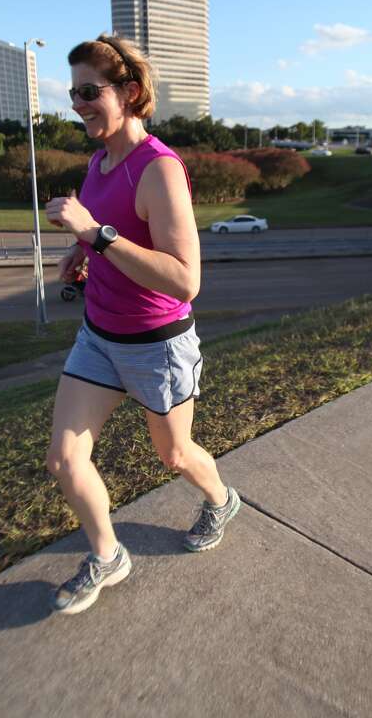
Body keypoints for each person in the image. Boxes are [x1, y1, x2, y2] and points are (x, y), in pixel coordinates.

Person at [42, 34, 240, 615]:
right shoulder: (99, 160)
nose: (77, 103)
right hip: (98, 337)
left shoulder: (159, 169)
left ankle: (222, 499)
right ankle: (108, 556)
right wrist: (84, 252)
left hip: (158, 346)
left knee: (173, 457)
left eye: (88, 92)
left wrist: (97, 235)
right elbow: (109, 236)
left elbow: (184, 279)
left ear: (129, 92)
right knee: (63, 459)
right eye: (71, 92)